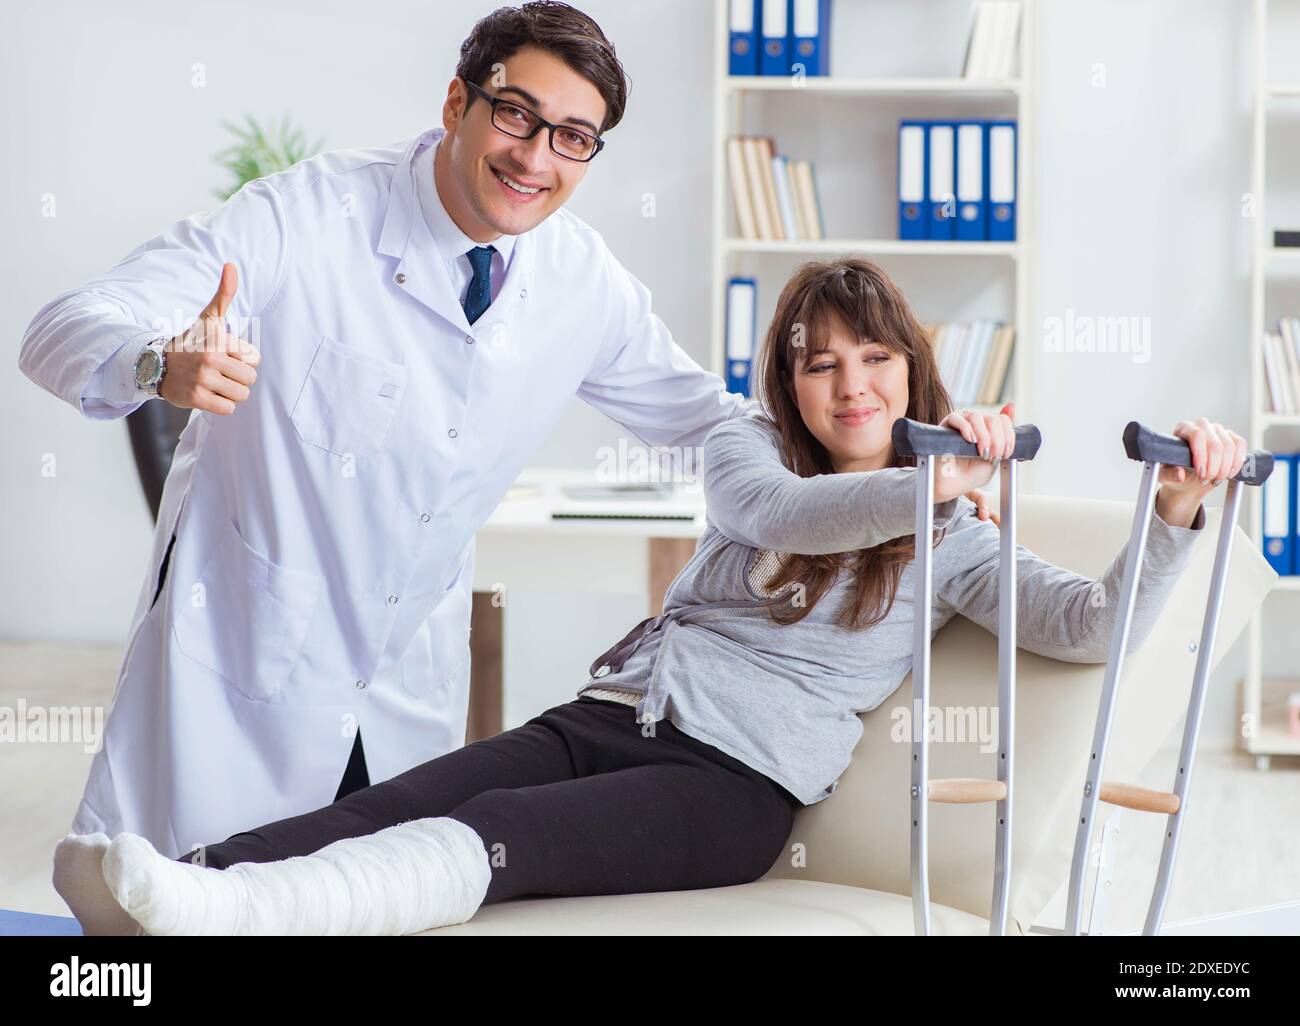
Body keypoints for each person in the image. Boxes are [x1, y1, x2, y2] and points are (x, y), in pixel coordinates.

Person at [52, 256, 1247, 936]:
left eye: (874, 359)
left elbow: (1093, 630)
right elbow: (786, 521)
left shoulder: (961, 538)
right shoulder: (750, 458)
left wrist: (1177, 512)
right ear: (786, 380)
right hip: (608, 715)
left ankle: (212, 915)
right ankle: (165, 890)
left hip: (729, 786)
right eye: (817, 360)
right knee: (394, 798)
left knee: (473, 841)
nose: (849, 384)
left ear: (912, 370)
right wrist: (933, 486)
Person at [22, 2, 764, 859]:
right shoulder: (303, 217)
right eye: (516, 113)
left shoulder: (580, 280)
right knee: (178, 909)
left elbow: (710, 424)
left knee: (366, 901)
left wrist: (899, 463)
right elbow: (65, 325)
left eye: (573, 137)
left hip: (407, 695)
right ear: (458, 103)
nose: (535, 157)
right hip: (236, 685)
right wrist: (157, 364)